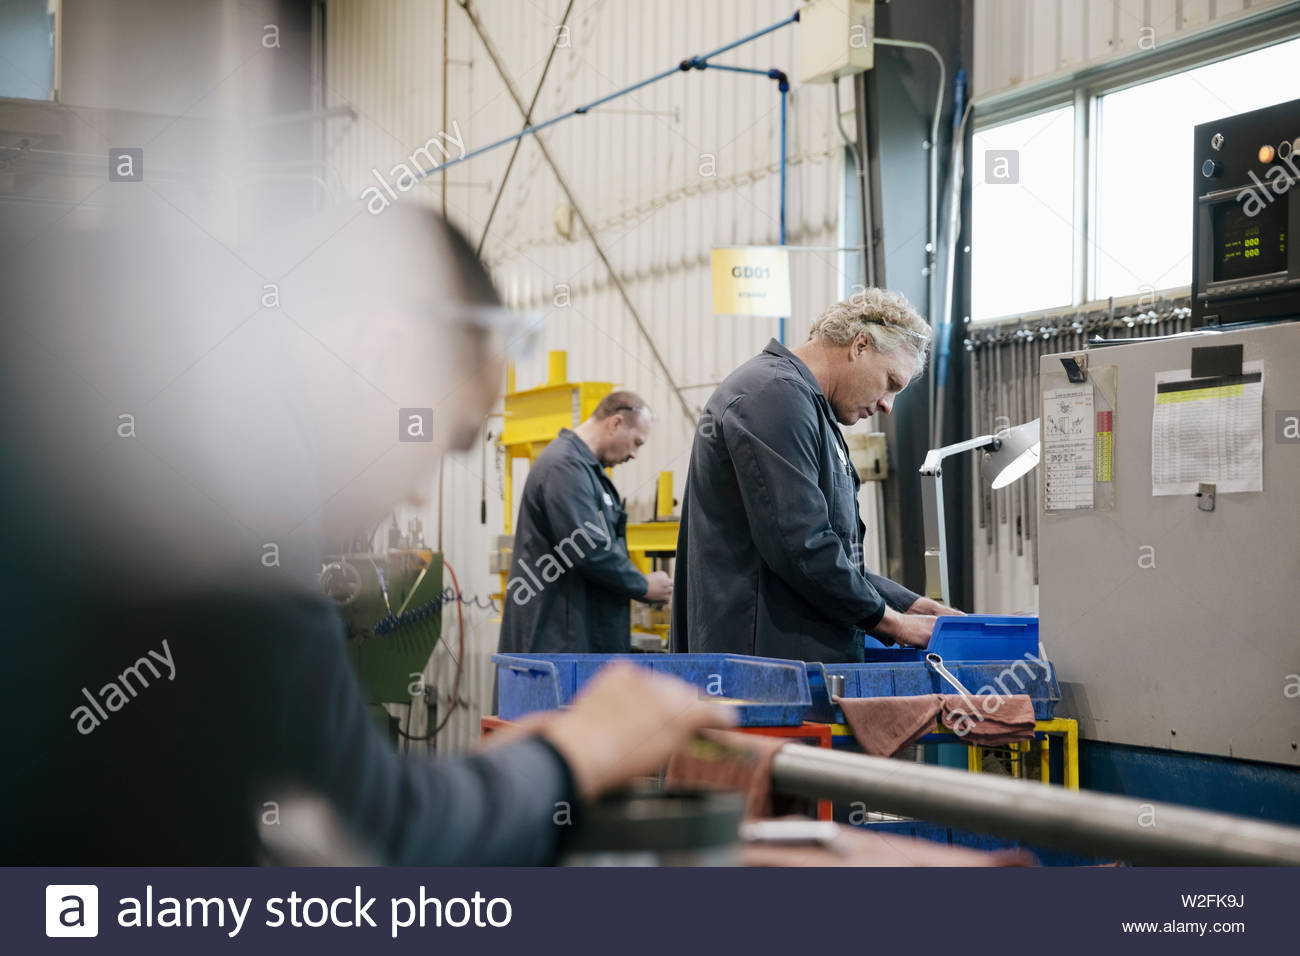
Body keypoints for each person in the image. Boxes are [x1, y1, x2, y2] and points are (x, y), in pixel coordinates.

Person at [0, 199, 730, 866]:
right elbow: (370, 831)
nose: (418, 490)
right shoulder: (240, 482)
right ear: (384, 357)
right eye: (447, 441)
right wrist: (577, 753)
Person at [671, 290, 962, 664]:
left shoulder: (805, 405)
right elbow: (801, 546)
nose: (888, 405)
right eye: (891, 382)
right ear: (860, 346)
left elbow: (830, 554)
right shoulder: (772, 394)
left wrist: (909, 605)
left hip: (788, 661)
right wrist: (893, 624)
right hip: (762, 667)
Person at [497, 392, 673, 655]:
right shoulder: (564, 467)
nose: (635, 454)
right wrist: (642, 585)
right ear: (615, 423)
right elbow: (587, 548)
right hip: (558, 641)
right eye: (636, 442)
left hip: (576, 636)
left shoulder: (585, 470)